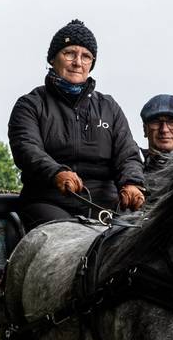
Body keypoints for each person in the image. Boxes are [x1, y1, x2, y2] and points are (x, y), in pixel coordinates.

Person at [8, 19, 145, 229]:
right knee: (60, 238)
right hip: (49, 201)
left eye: (86, 56)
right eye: (69, 53)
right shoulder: (30, 105)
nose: (77, 62)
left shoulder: (109, 107)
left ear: (92, 64)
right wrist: (56, 173)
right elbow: (27, 150)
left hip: (106, 204)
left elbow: (128, 154)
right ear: (53, 58)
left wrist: (132, 183)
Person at [139, 94, 173, 174]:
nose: (164, 129)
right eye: (156, 122)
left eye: (172, 122)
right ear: (145, 129)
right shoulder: (132, 164)